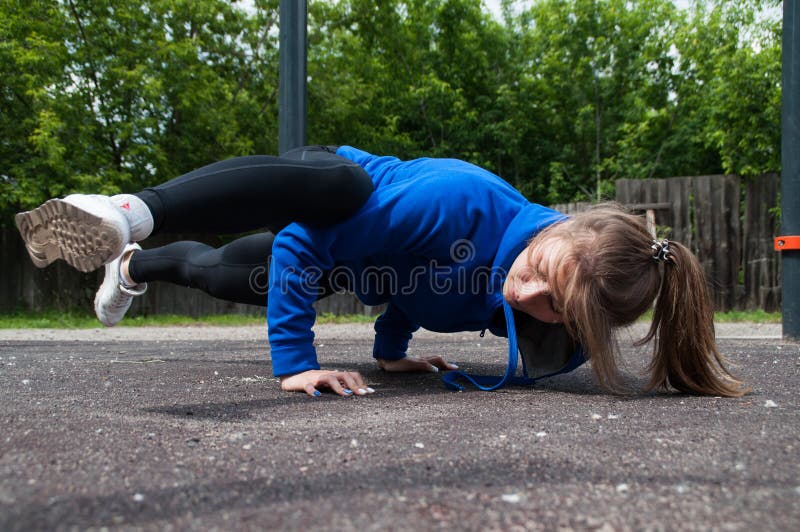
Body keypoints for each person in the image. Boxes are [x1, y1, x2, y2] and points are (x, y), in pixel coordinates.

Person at [15, 145, 749, 398]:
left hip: (354, 264)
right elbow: (307, 245)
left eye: (551, 306)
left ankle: (135, 264)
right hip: (322, 189)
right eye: (537, 272)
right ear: (560, 226)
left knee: (227, 276)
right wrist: (295, 362)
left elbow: (427, 290)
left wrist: (391, 351)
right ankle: (129, 213)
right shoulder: (458, 204)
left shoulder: (528, 308)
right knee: (330, 198)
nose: (524, 294)